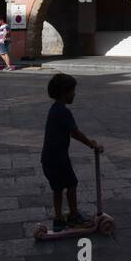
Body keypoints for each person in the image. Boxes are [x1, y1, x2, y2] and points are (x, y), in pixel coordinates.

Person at [41, 73, 101, 231]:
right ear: (64, 92)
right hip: (59, 158)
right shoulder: (63, 112)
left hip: (48, 158)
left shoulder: (54, 109)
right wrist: (91, 144)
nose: (74, 94)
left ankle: (59, 218)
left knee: (58, 188)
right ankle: (74, 216)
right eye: (72, 91)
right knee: (72, 184)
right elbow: (75, 133)